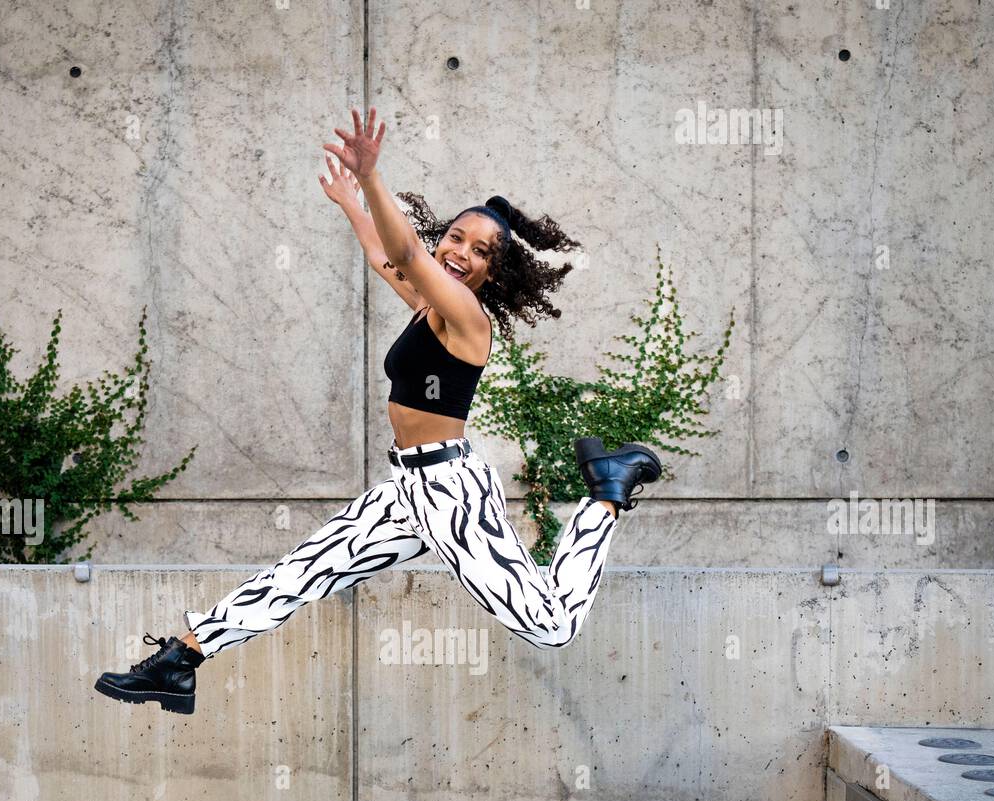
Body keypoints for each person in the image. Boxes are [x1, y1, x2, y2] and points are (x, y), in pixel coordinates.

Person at [95, 106, 660, 716]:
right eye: (456, 238)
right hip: (408, 486)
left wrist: (371, 178)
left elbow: (408, 254)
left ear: (493, 274)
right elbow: (386, 257)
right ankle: (181, 660)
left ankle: (606, 491)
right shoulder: (428, 308)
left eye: (480, 252)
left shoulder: (470, 321)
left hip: (450, 493)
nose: (461, 253)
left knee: (551, 626)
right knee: (305, 571)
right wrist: (350, 203)